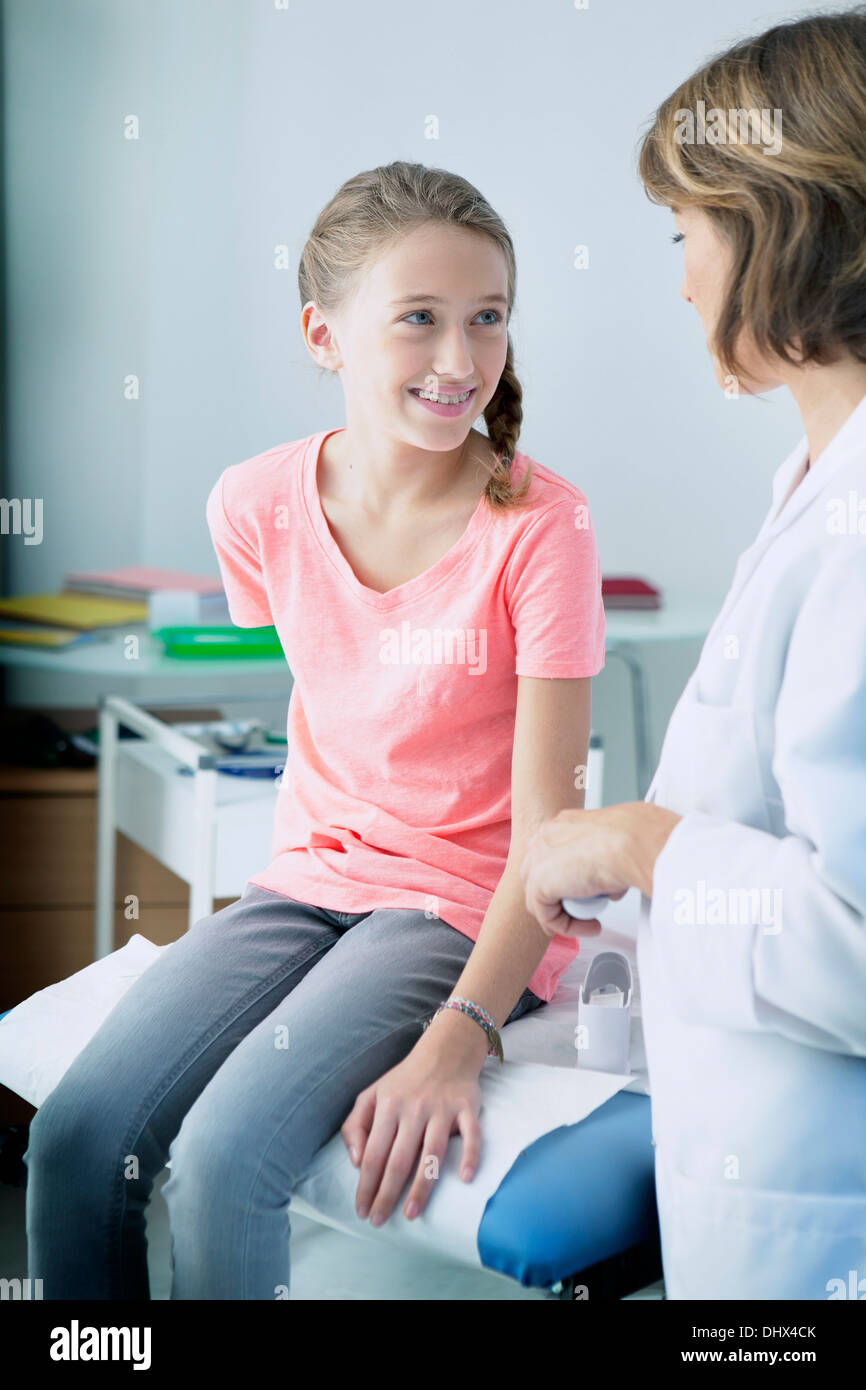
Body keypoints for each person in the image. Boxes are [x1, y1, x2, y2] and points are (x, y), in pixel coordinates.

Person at [23, 162, 606, 1297]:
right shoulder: (254, 503)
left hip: (461, 902)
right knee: (77, 1141)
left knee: (222, 1163)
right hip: (307, 880)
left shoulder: (543, 526)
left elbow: (546, 835)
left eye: (487, 317)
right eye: (418, 320)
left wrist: (458, 1035)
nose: (460, 358)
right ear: (322, 334)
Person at [520, 6, 866, 1300]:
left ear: (782, 226)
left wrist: (641, 845)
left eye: (685, 234)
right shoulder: (815, 484)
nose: (675, 278)